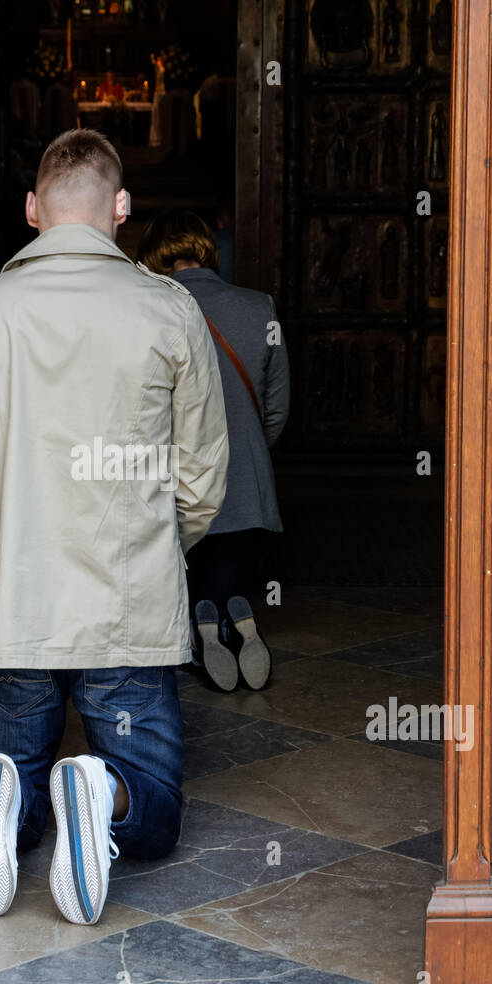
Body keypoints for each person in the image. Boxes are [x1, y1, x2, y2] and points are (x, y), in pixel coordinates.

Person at [0, 131, 228, 926]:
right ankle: (101, 787)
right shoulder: (169, 311)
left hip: (13, 600)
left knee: (15, 768)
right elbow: (199, 480)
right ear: (120, 208)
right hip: (127, 604)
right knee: (153, 812)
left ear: (31, 210)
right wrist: (154, 551)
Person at [138, 209, 290, 692]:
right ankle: (228, 621)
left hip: (174, 485)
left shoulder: (148, 311)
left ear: (153, 255)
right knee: (230, 579)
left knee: (185, 582)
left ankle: (198, 631)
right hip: (246, 487)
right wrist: (243, 456)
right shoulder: (259, 307)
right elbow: (277, 408)